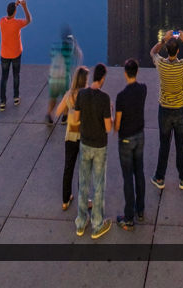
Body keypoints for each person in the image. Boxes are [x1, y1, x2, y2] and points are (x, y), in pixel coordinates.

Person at [149, 29, 183, 191]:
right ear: (178, 51)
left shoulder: (160, 64)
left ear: (167, 50)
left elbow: (152, 52)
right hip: (180, 109)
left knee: (164, 144)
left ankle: (159, 177)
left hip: (164, 109)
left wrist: (163, 40)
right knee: (180, 145)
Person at [71, 62, 112, 240]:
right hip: (100, 146)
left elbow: (75, 119)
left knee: (83, 184)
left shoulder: (82, 94)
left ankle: (81, 223)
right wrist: (108, 111)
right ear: (102, 79)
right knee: (98, 186)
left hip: (85, 143)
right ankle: (97, 225)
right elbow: (108, 128)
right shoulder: (104, 98)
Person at [115, 57, 147, 230]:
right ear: (137, 72)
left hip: (126, 139)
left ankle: (128, 218)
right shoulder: (143, 89)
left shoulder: (121, 96)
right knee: (139, 173)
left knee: (128, 177)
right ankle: (140, 210)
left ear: (125, 73)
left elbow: (117, 124)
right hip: (140, 136)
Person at [56, 65, 88, 211]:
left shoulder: (69, 95)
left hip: (70, 136)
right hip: (84, 136)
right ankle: (83, 200)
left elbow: (58, 111)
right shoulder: (87, 95)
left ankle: (65, 199)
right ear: (84, 80)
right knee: (83, 170)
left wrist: (69, 112)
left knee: (68, 168)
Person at [0, 0, 32, 109]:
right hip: (16, 54)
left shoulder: (2, 22)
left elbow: (11, 12)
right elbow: (29, 20)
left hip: (4, 54)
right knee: (16, 75)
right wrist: (24, 6)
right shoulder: (17, 24)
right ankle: (16, 97)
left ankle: (2, 101)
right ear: (15, 12)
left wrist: (15, 4)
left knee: (4, 77)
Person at [46, 27, 83, 123]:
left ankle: (49, 114)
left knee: (53, 98)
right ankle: (64, 116)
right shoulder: (71, 48)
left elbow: (51, 55)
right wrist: (74, 41)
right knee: (66, 98)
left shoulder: (55, 46)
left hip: (53, 78)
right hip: (64, 78)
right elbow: (79, 55)